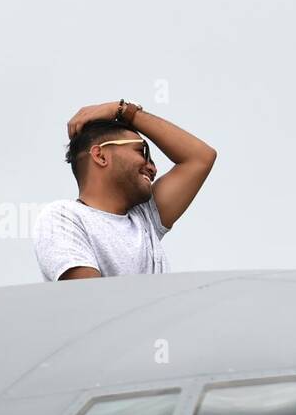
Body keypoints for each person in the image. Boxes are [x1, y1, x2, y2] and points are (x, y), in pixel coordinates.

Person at [33, 99, 216, 281]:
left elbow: (200, 157)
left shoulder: (144, 219)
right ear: (100, 155)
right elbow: (89, 299)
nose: (153, 168)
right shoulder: (64, 217)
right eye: (142, 152)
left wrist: (124, 111)